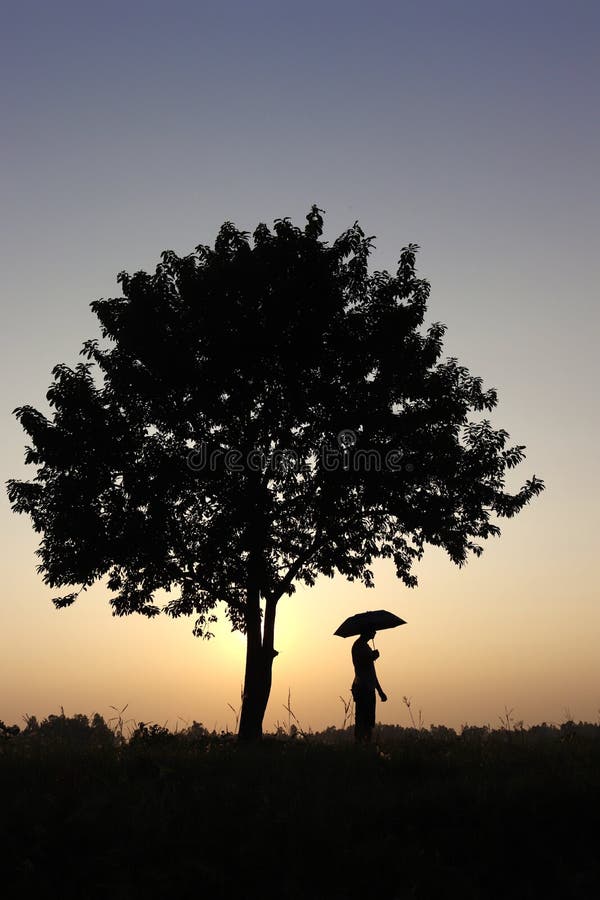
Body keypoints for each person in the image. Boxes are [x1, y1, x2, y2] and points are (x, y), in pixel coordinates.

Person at [351, 628, 387, 743]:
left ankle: (366, 745)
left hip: (369, 688)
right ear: (366, 631)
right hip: (362, 688)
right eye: (373, 630)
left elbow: (372, 673)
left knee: (369, 721)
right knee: (362, 720)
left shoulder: (366, 647)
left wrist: (380, 691)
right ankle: (360, 746)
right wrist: (371, 657)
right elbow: (361, 665)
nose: (375, 632)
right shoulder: (358, 646)